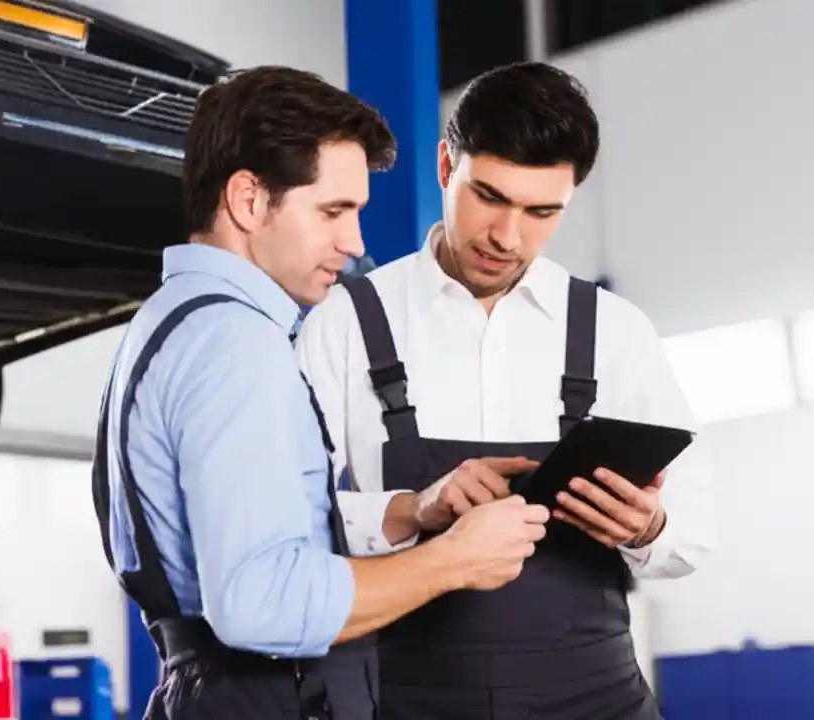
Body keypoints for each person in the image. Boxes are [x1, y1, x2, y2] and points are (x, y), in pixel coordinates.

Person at [90, 66, 551, 720]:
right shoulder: (235, 344)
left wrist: (413, 513)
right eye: (332, 212)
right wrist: (455, 561)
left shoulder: (169, 325)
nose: (354, 243)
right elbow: (261, 602)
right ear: (249, 200)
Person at [296, 61, 716, 720]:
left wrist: (648, 527)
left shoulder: (615, 332)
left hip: (599, 702)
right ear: (445, 167)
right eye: (488, 197)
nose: (507, 237)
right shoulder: (342, 326)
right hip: (409, 701)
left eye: (542, 211)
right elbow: (291, 532)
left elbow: (696, 533)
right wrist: (414, 507)